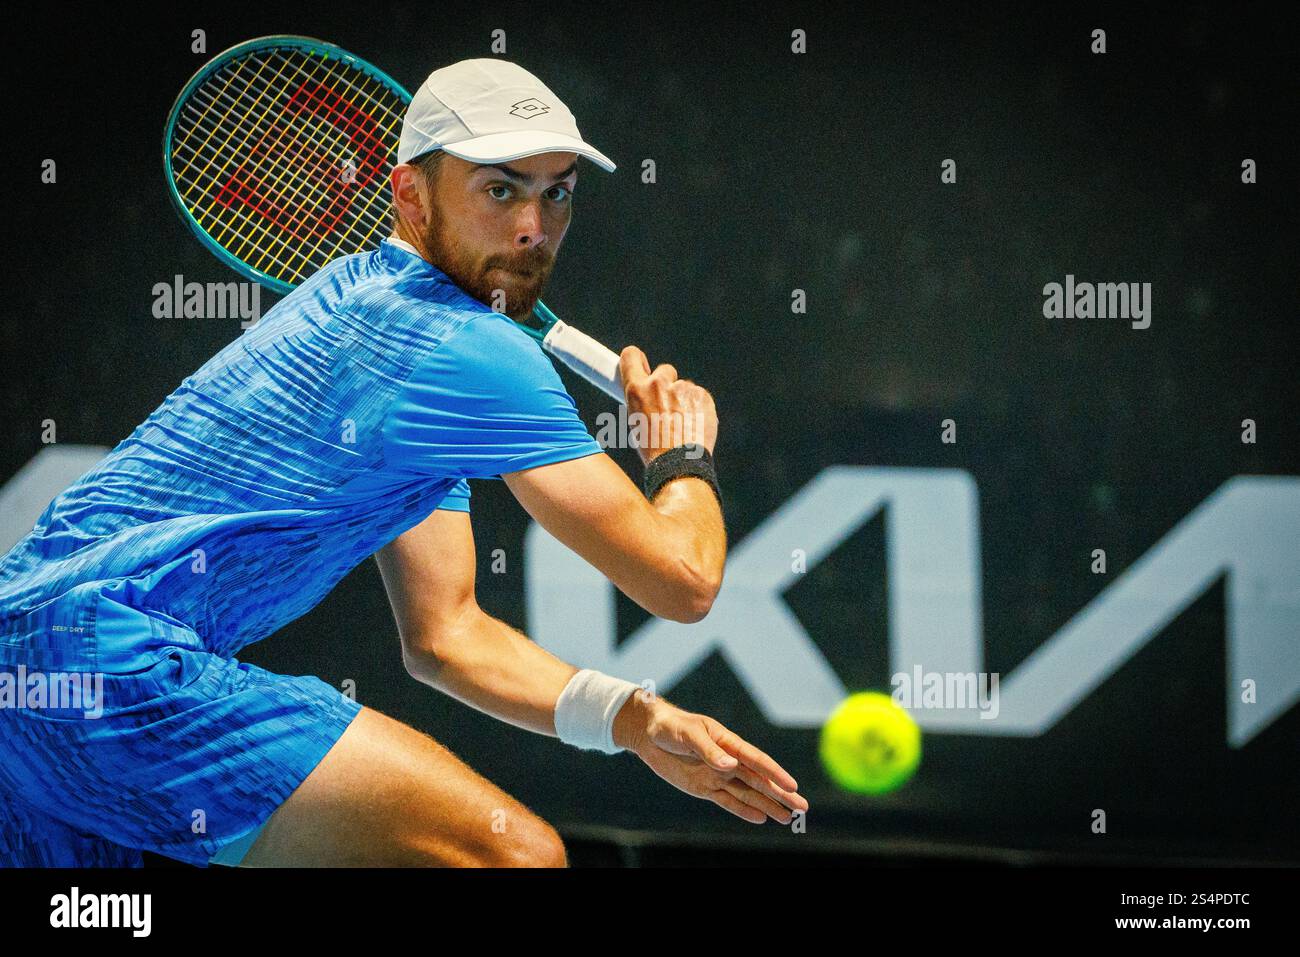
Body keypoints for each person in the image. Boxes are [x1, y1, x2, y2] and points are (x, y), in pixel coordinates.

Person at [0, 58, 807, 867]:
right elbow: (683, 580)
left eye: (557, 191)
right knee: (517, 858)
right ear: (410, 197)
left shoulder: (362, 304)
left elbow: (445, 636)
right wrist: (680, 452)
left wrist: (631, 719)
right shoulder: (472, 351)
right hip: (111, 658)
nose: (534, 225)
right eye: (501, 189)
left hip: (23, 677)